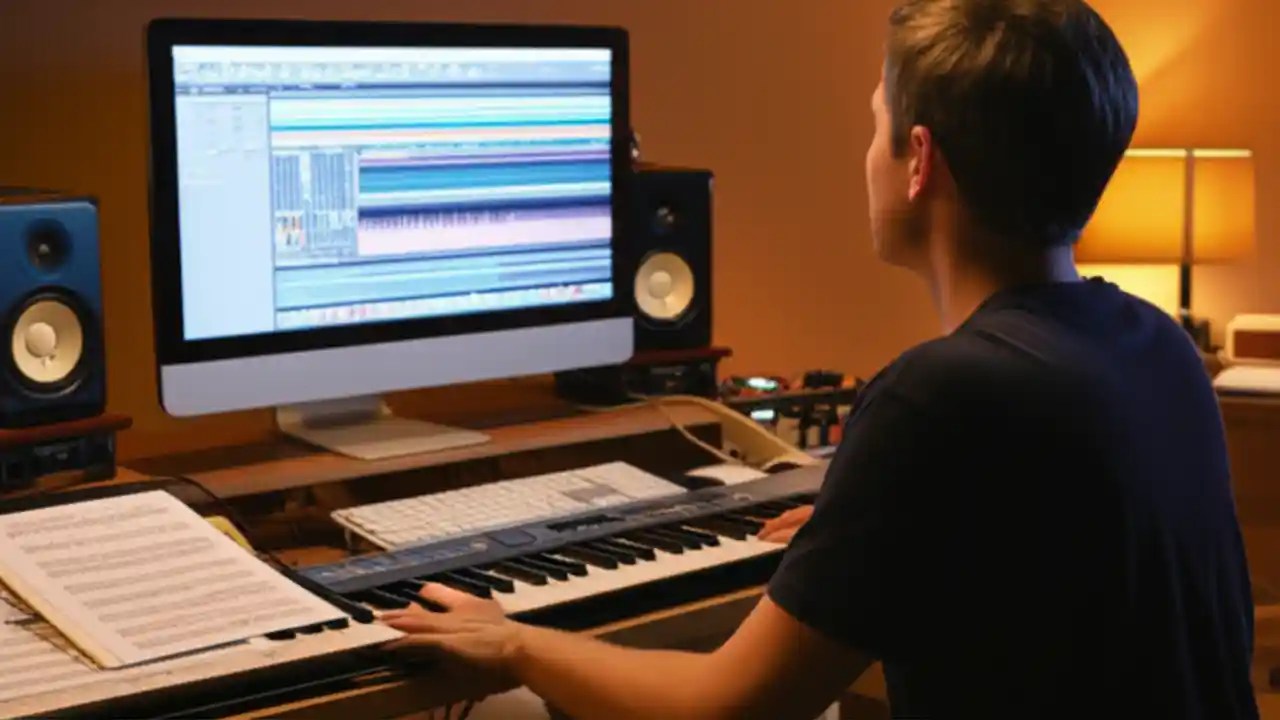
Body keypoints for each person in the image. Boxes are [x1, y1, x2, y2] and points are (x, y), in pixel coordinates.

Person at [381, 0, 1260, 717]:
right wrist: (869, 533)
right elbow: (1047, 559)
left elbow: (725, 708)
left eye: (877, 127)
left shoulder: (942, 394)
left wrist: (516, 643)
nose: (867, 155)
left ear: (919, 161)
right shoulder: (1160, 346)